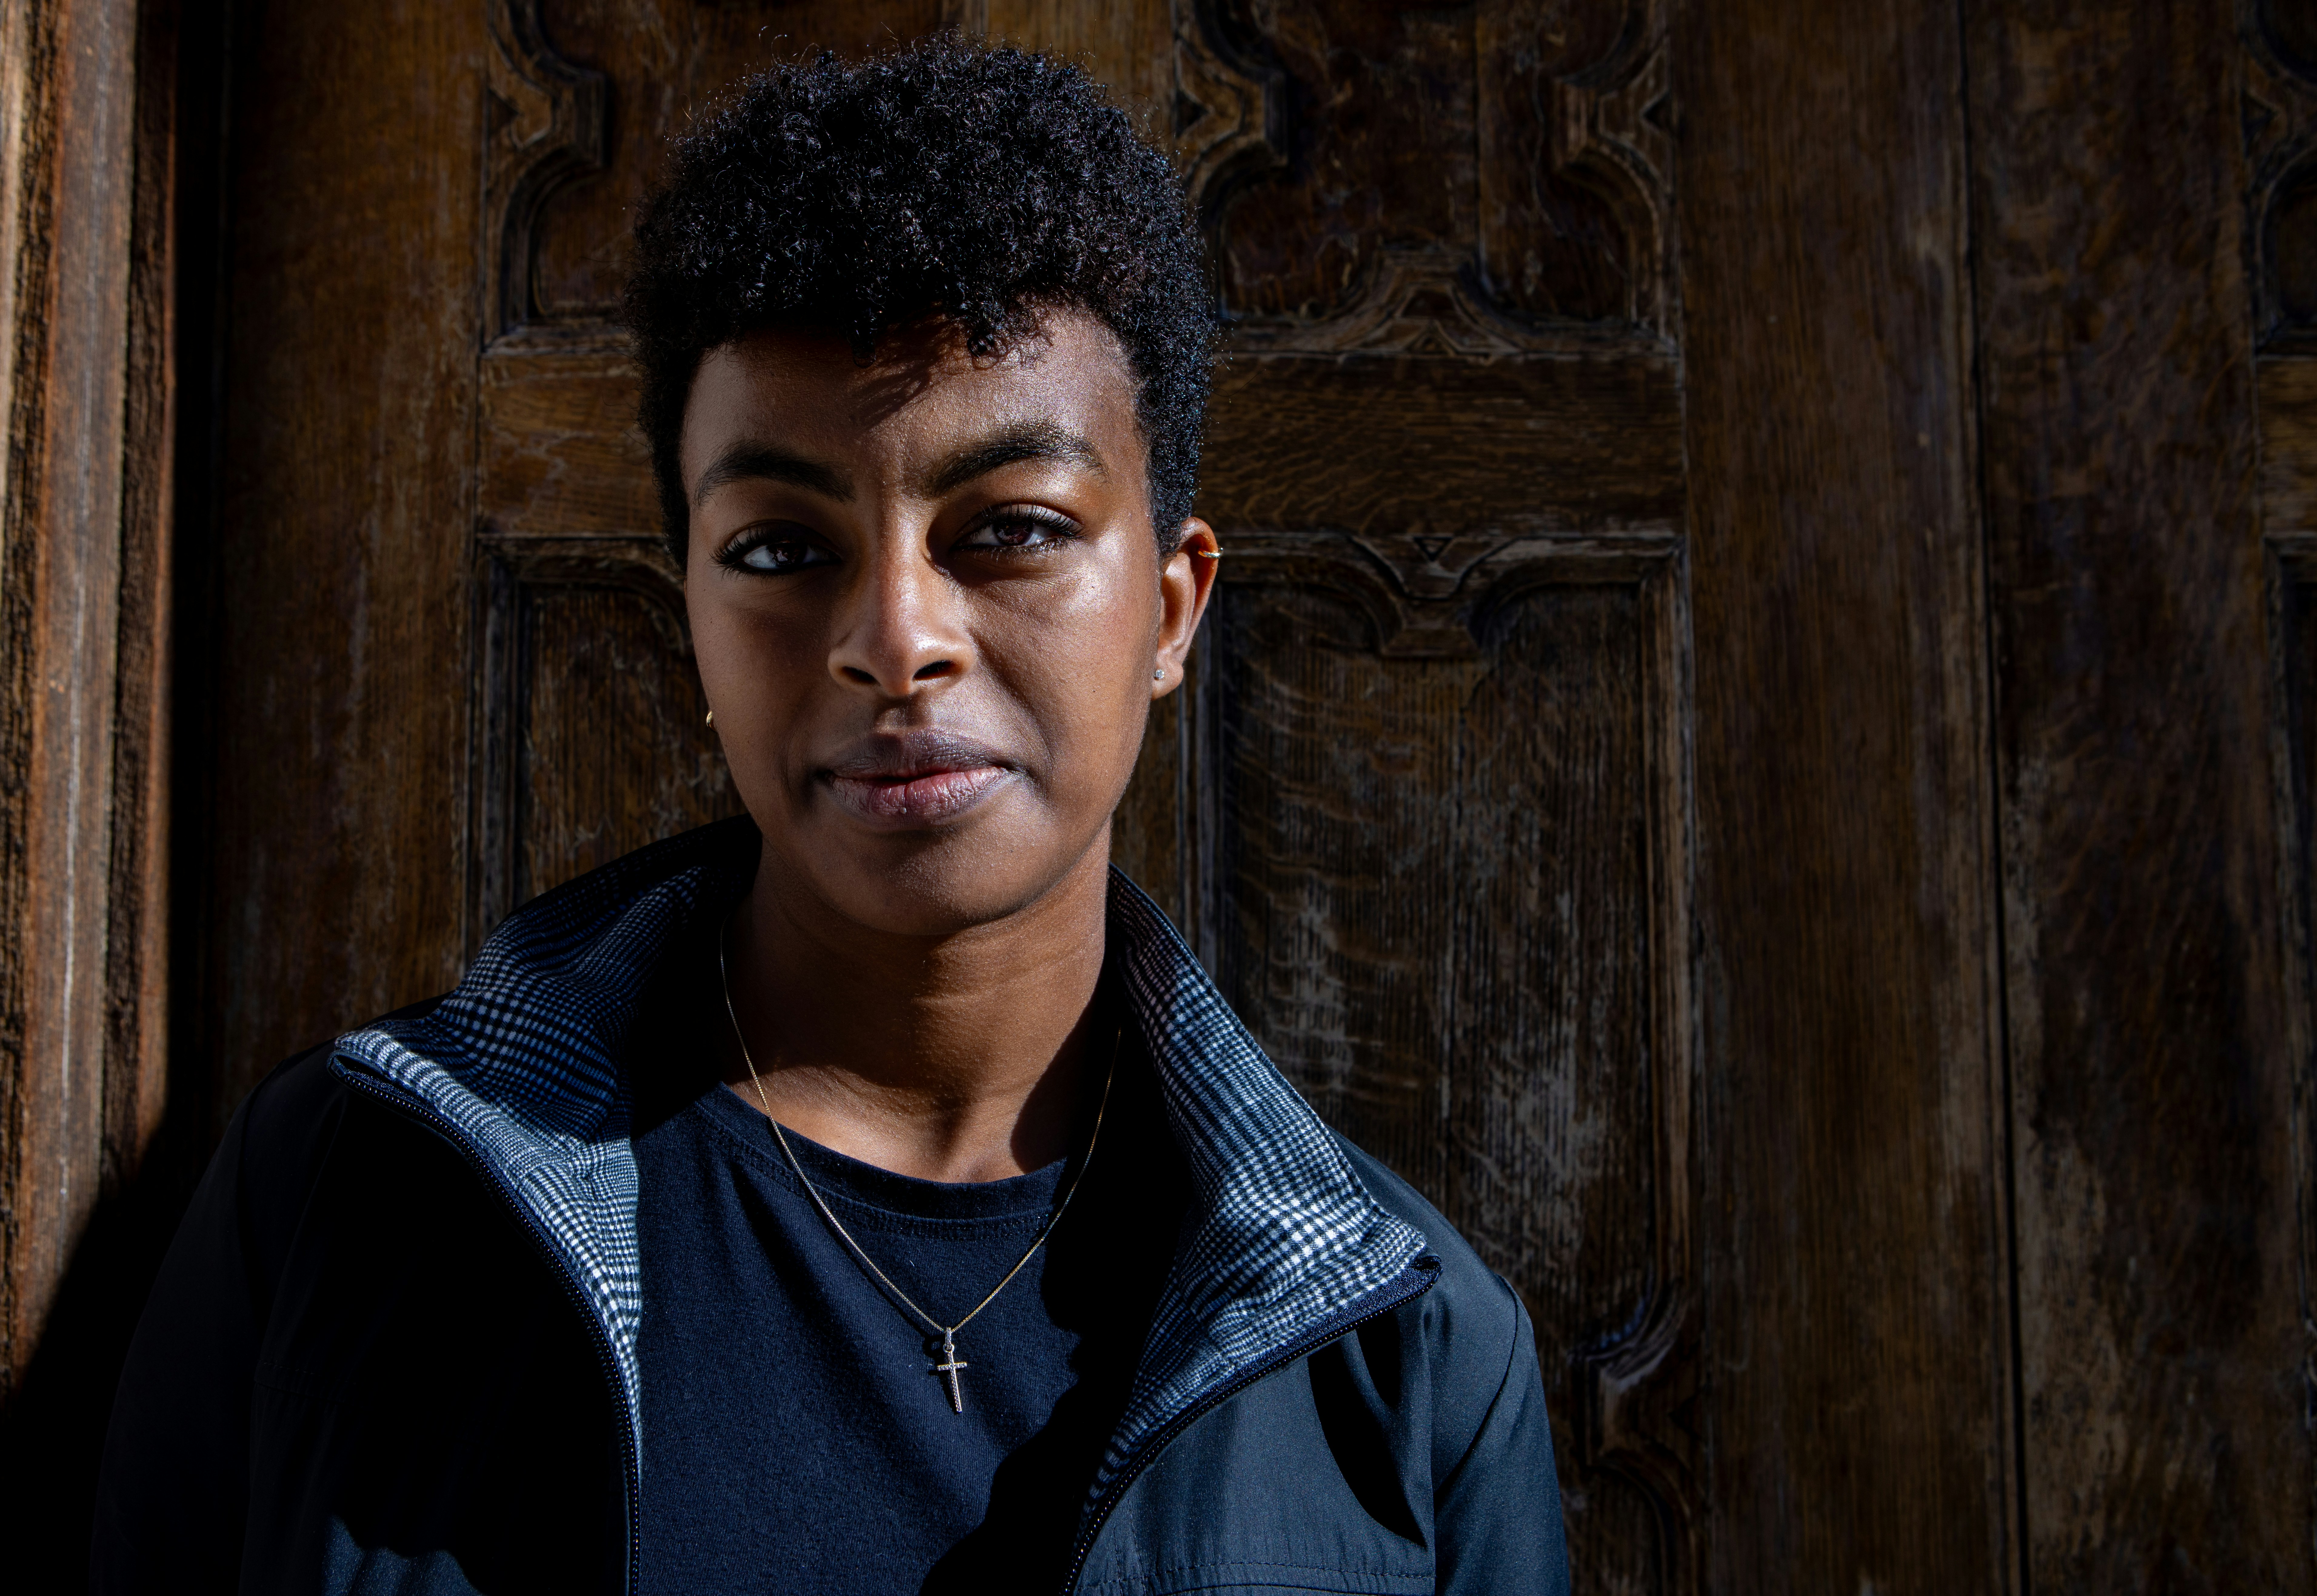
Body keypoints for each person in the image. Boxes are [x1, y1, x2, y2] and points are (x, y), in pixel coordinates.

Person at [93, 36, 1571, 1595]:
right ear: (692, 620)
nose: (895, 638)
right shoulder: (344, 1201)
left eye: (1012, 528)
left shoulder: (1403, 1358)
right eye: (781, 551)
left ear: (1168, 609)